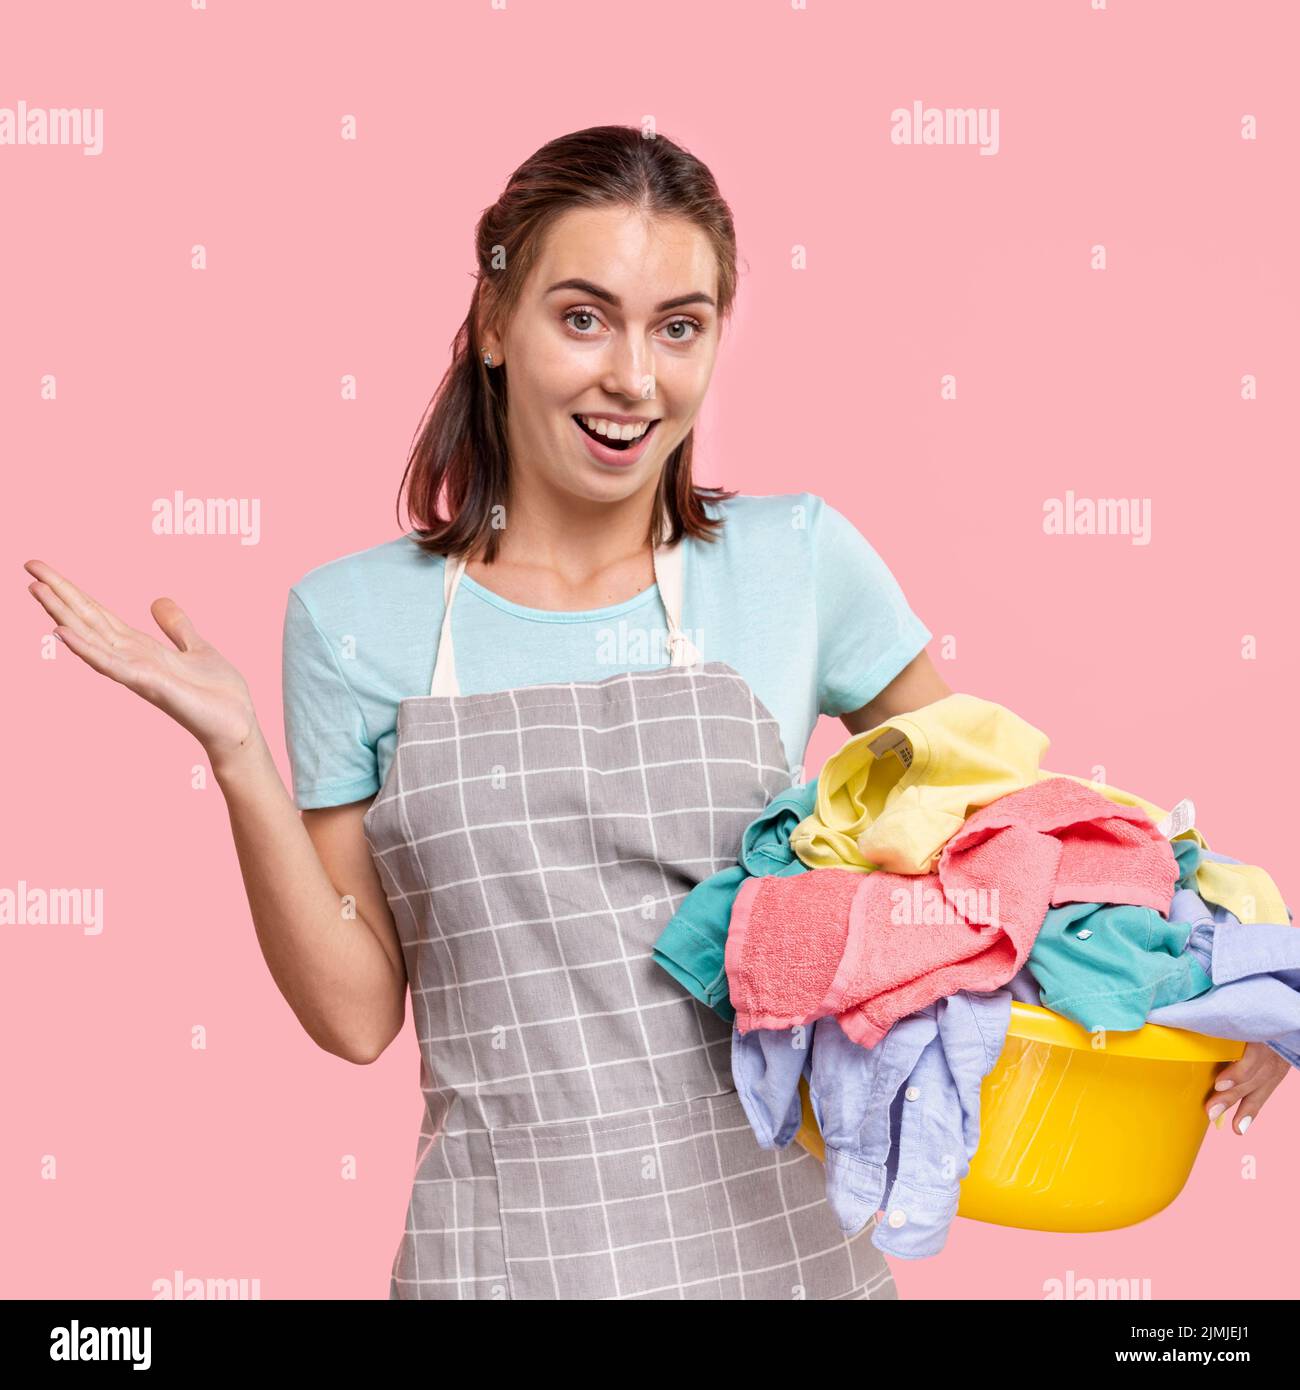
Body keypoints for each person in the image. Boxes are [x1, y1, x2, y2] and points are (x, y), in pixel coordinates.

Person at [24, 124, 1286, 1302]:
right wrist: (239, 754)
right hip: (501, 1259)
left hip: (789, 1255)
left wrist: (1250, 979)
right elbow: (357, 1014)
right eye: (585, 318)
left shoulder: (794, 562)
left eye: (678, 327)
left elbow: (1005, 846)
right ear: (494, 321)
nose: (633, 378)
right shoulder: (352, 618)